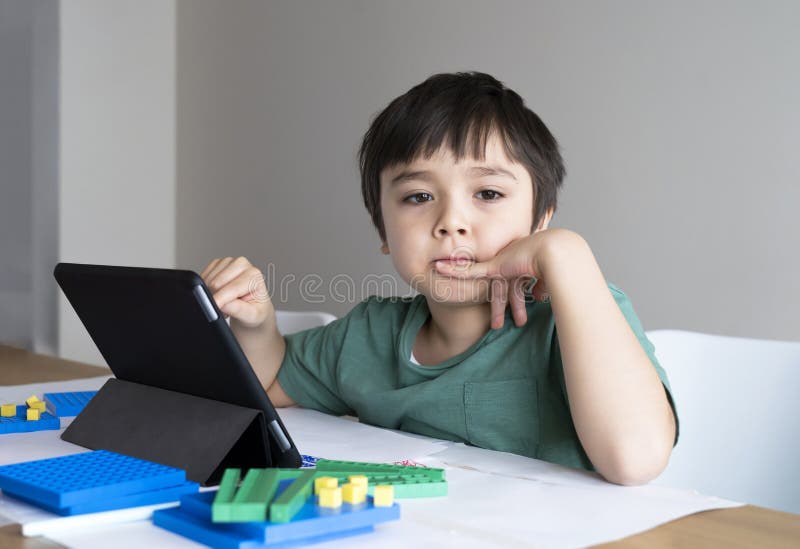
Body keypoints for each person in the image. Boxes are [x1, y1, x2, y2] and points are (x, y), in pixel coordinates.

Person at [200, 71, 678, 485]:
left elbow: (634, 460)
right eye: (418, 197)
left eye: (488, 193)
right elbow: (268, 385)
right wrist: (256, 323)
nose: (452, 221)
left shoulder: (578, 313)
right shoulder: (370, 335)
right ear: (382, 229)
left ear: (540, 223)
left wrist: (569, 257)